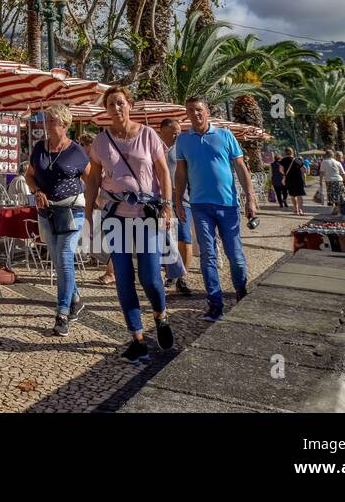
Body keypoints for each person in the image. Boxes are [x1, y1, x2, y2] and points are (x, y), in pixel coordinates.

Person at [85, 86, 174, 364]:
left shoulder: (148, 135)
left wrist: (168, 204)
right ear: (107, 110)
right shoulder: (101, 141)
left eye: (121, 103)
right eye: (111, 104)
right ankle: (137, 338)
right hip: (115, 216)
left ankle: (160, 316)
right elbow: (93, 180)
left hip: (146, 215)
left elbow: (162, 171)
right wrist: (89, 213)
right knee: (123, 278)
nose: (117, 108)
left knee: (149, 276)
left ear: (129, 105)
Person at [174, 97, 257, 323]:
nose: (195, 114)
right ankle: (215, 304)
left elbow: (241, 167)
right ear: (187, 114)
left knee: (236, 257)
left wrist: (250, 198)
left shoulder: (225, 136)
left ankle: (241, 291)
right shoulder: (183, 140)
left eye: (199, 109)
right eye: (191, 110)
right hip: (199, 206)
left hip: (228, 205)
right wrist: (178, 201)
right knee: (208, 256)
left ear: (207, 111)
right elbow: (180, 174)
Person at [25, 103, 90, 335]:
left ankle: (62, 313)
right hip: (46, 212)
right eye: (47, 120)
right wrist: (36, 192)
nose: (47, 124)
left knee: (64, 258)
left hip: (72, 211)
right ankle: (76, 298)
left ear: (64, 124)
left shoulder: (76, 152)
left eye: (51, 120)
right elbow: (30, 175)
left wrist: (98, 204)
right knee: (58, 261)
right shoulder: (39, 148)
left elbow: (92, 180)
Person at [157, 117, 193, 296]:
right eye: (173, 132)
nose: (177, 134)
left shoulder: (182, 148)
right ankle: (172, 273)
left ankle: (182, 278)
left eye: (178, 131)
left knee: (185, 239)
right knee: (166, 239)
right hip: (163, 202)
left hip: (183, 200)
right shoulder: (158, 149)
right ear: (161, 131)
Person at [279, 147, 306, 215]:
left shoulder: (283, 160)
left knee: (293, 195)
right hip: (298, 180)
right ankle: (300, 210)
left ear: (285, 152)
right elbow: (304, 169)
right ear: (292, 152)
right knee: (299, 196)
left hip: (289, 180)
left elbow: (281, 170)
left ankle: (295, 209)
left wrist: (285, 174)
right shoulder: (297, 160)